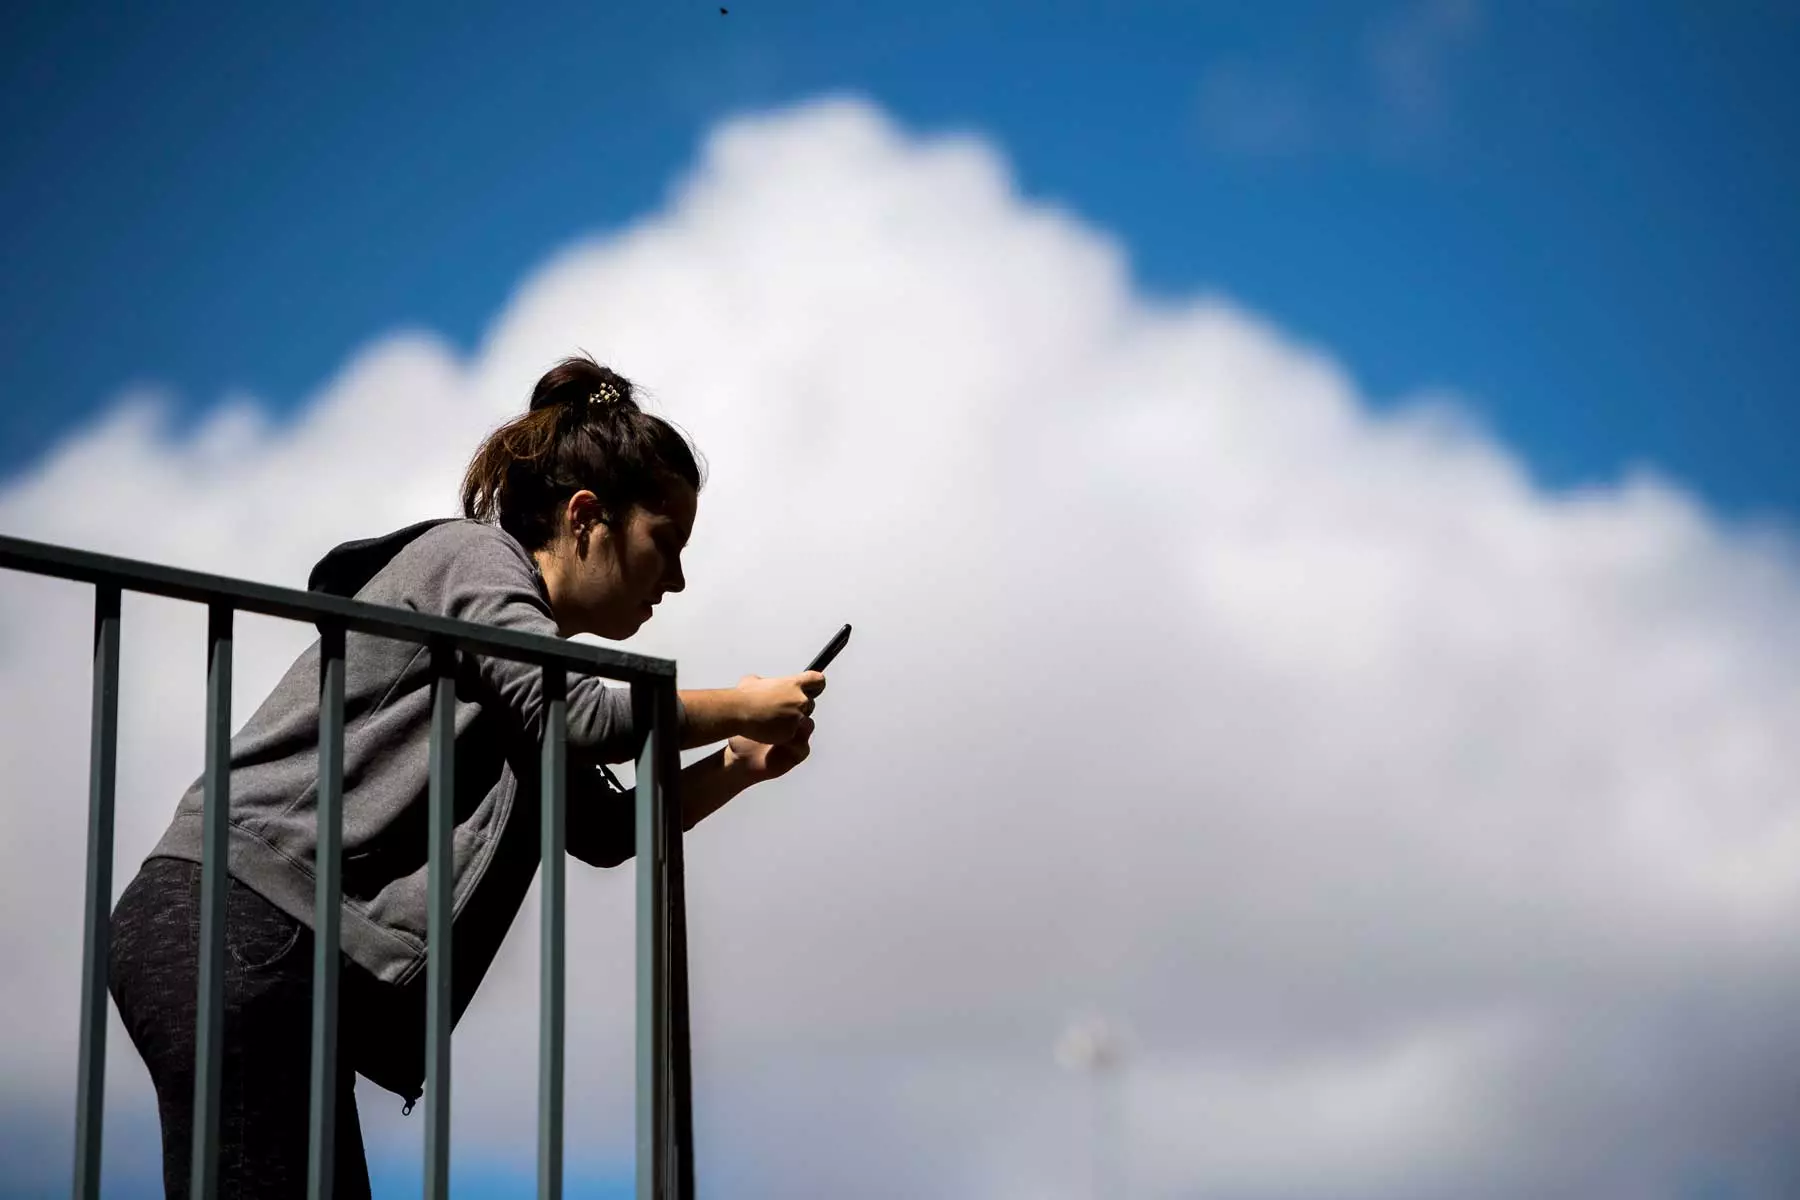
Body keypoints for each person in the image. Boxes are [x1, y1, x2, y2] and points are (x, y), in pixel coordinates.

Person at [107, 355, 825, 1198]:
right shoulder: (475, 557)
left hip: (279, 951)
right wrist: (736, 705)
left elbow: (597, 831)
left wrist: (737, 767)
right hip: (239, 918)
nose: (676, 579)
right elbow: (584, 719)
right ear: (587, 516)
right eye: (665, 542)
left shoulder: (523, 673)